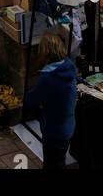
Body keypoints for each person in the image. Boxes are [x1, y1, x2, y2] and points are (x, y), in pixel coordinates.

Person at [23, 30, 77, 169]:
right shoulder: (69, 66)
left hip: (54, 130)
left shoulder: (47, 78)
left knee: (52, 164)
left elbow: (31, 100)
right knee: (59, 160)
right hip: (68, 126)